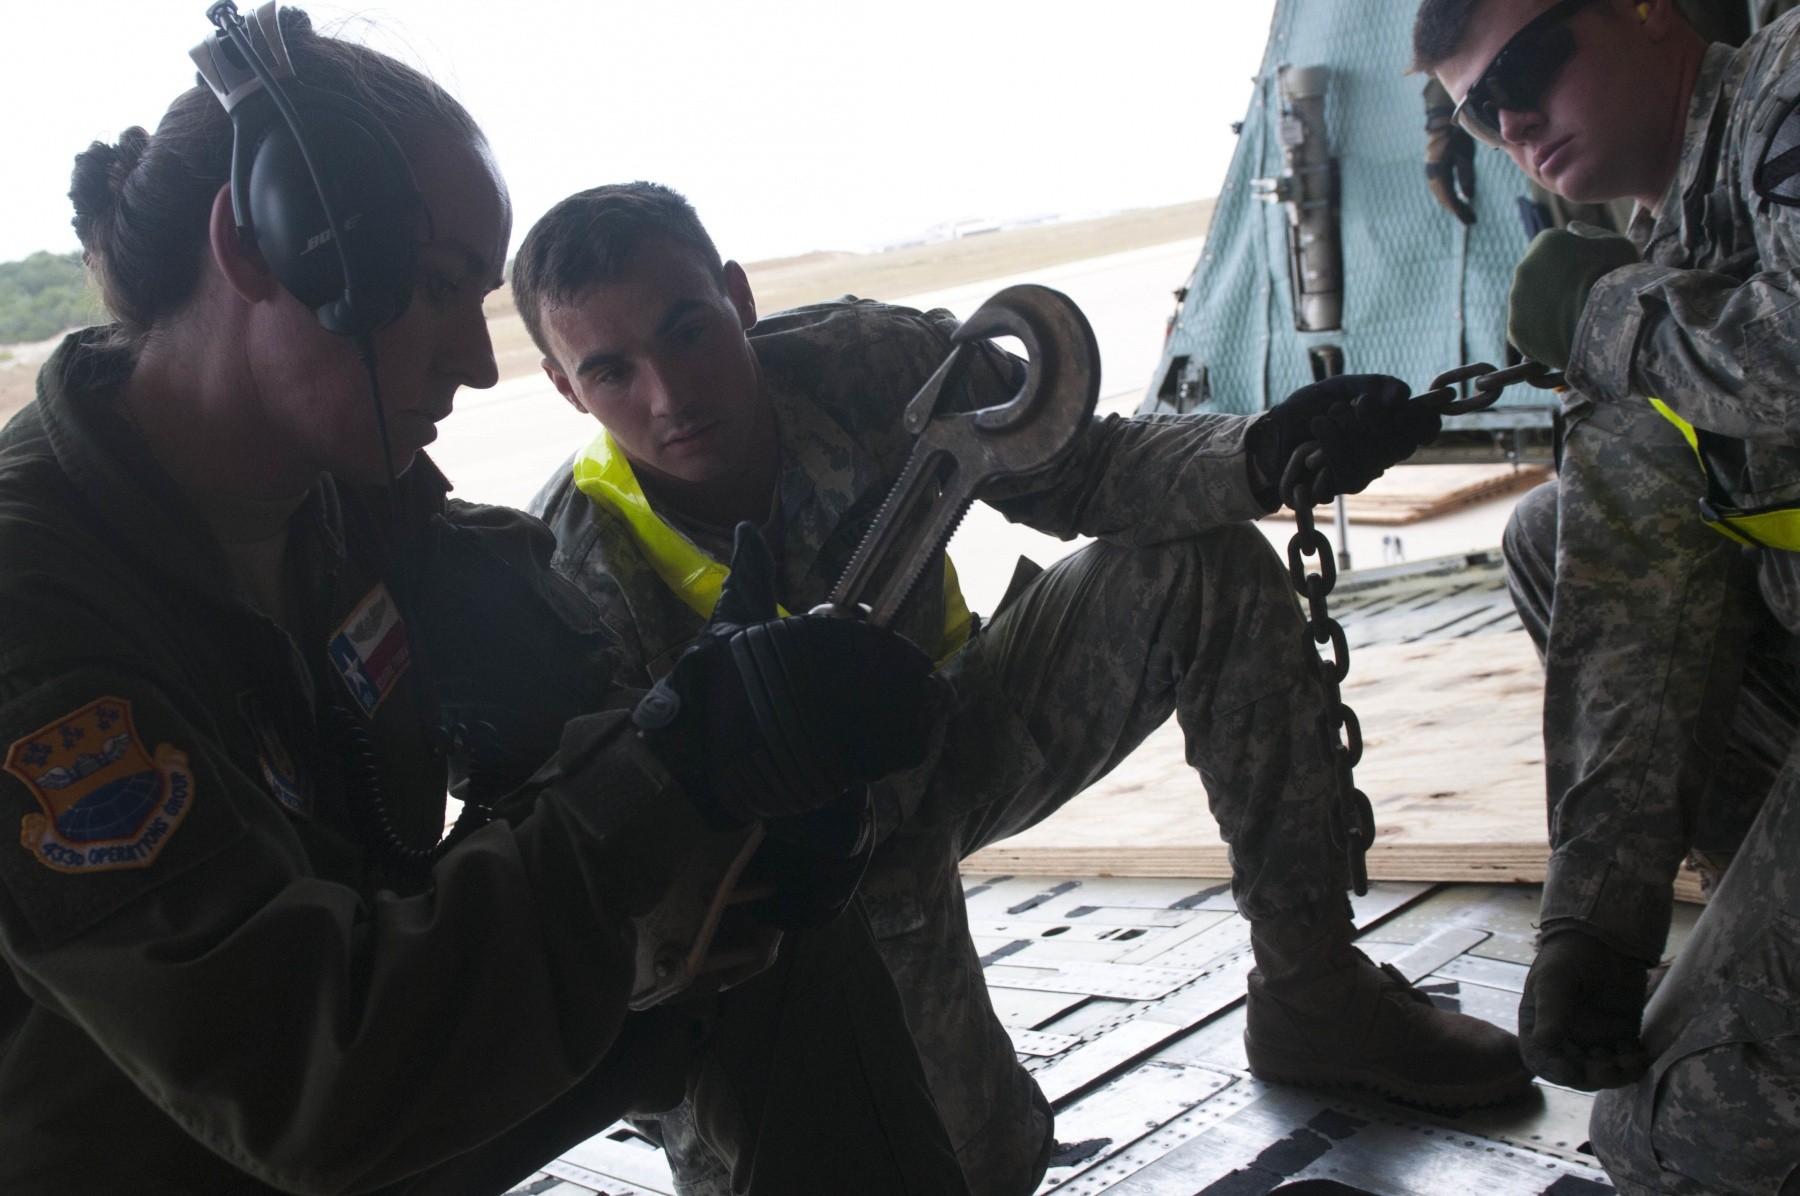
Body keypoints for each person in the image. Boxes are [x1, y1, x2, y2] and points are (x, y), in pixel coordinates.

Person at [0, 7, 973, 1194]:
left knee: (747, 902)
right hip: (248, 1133)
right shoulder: (35, 611)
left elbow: (590, 745)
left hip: (375, 1095)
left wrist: (733, 762)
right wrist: (675, 772)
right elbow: (311, 1068)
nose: (473, 359)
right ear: (260, 251)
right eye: (437, 287)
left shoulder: (351, 503)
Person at [513, 181, 1534, 1196]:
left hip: (952, 728)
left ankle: (1317, 995)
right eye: (611, 371)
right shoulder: (573, 564)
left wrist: (1260, 455)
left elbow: (1087, 468)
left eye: (687, 330)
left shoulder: (874, 366)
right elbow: (620, 895)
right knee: (966, 1164)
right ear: (566, 387)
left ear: (736, 298)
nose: (668, 394)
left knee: (1200, 562)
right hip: (793, 890)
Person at [1418, 0, 1800, 1187]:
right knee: (1553, 529)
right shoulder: (1651, 232)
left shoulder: (1787, 84)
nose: (1515, 118)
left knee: (1679, 1137)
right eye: (1479, 112)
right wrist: (1596, 920)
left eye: (1530, 62)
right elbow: (1640, 553)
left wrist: (1615, 315)